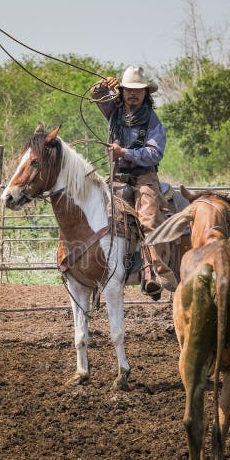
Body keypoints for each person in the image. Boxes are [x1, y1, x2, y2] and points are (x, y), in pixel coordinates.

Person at [90, 65, 177, 298]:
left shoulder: (153, 121)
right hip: (116, 175)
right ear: (122, 90)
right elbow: (96, 95)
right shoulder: (114, 111)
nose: (133, 93)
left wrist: (124, 153)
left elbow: (154, 154)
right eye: (128, 89)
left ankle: (158, 273)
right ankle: (92, 268)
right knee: (90, 208)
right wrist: (102, 85)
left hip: (144, 176)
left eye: (138, 90)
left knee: (149, 219)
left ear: (146, 93)